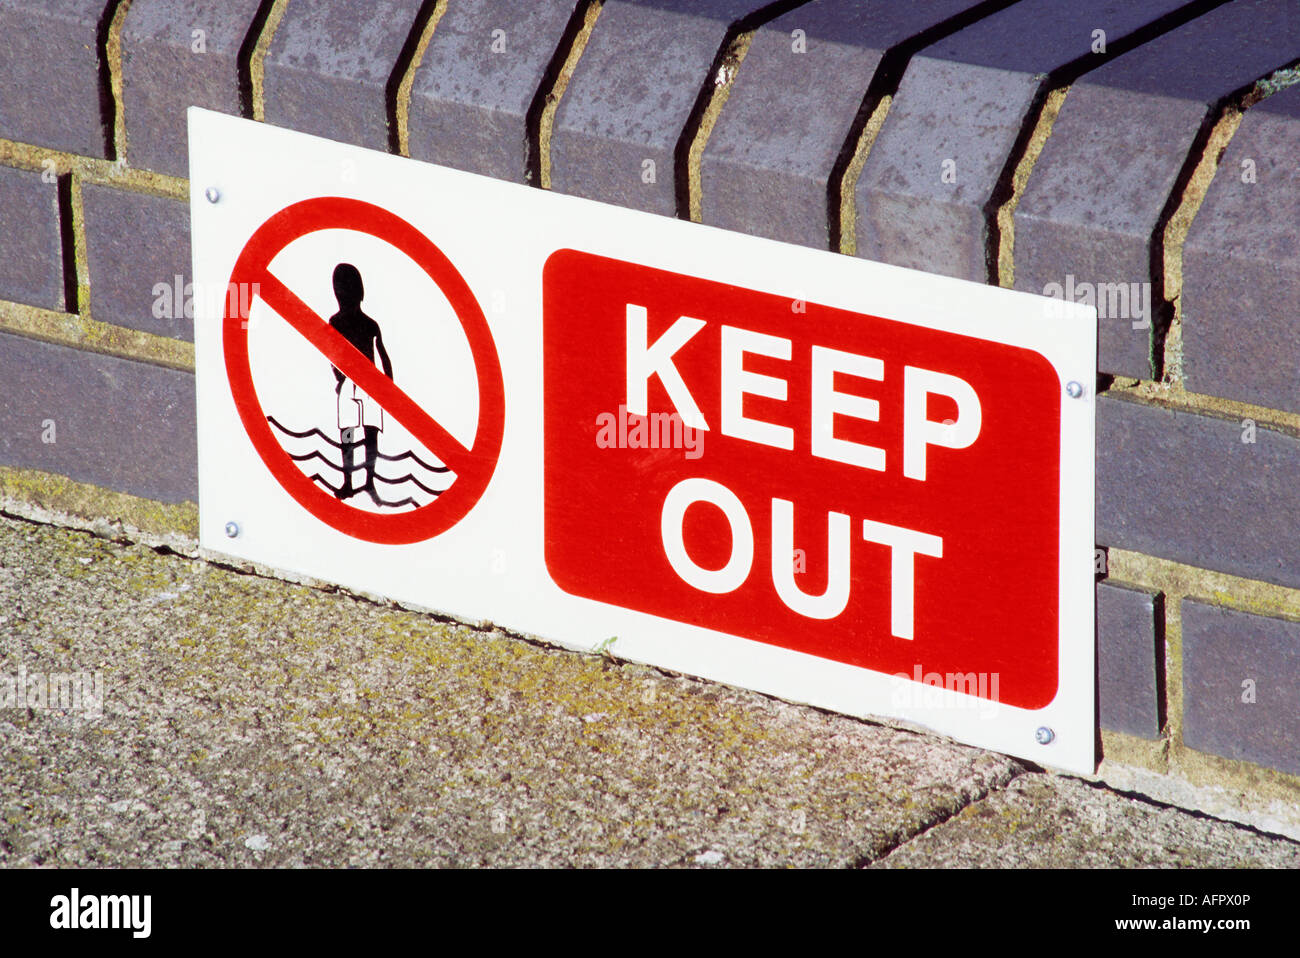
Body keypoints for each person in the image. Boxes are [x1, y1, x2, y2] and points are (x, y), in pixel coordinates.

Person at [328, 263, 393, 503]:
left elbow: (382, 355)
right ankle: (349, 482)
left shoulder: (369, 324)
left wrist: (389, 387)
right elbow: (333, 356)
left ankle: (367, 482)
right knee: (349, 434)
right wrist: (340, 379)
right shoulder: (336, 322)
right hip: (352, 384)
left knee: (368, 433)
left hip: (370, 386)